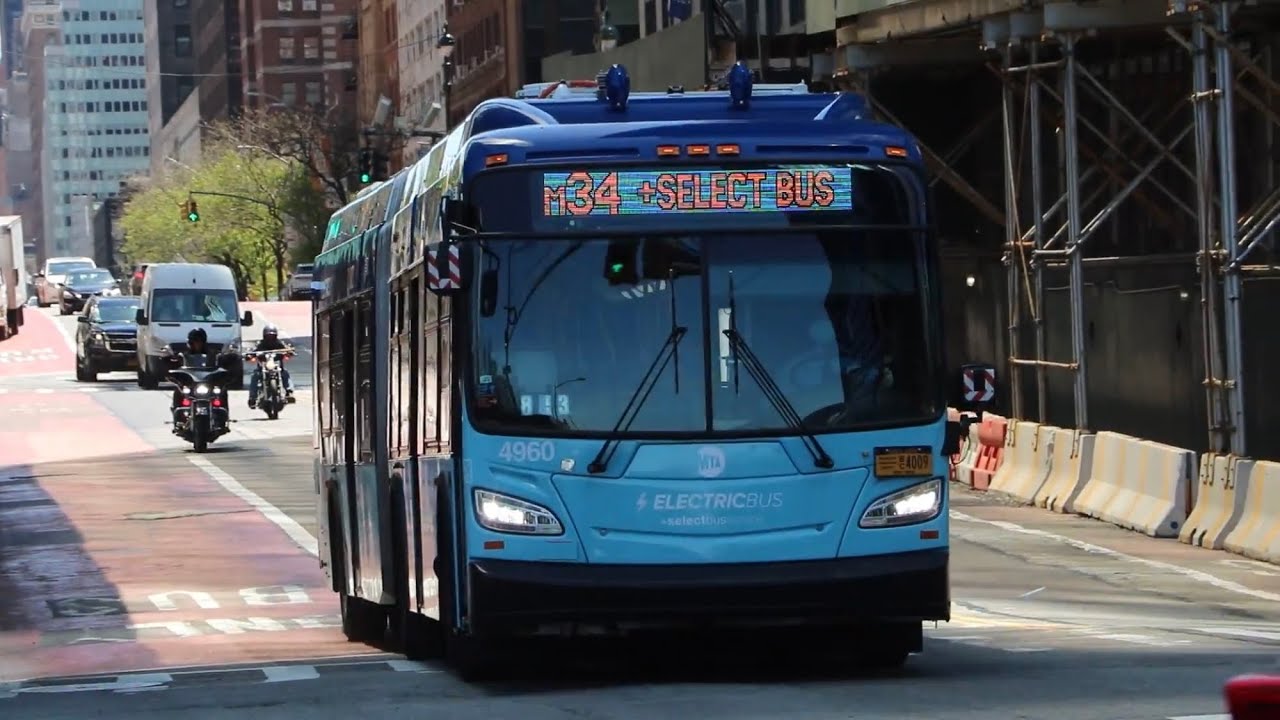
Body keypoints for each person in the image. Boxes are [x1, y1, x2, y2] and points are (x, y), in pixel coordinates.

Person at [165, 328, 234, 411]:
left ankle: (222, 414)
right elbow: (173, 366)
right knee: (179, 390)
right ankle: (178, 411)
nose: (198, 344)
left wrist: (225, 365)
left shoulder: (212, 354)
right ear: (190, 343)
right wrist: (172, 368)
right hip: (191, 383)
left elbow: (223, 363)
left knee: (221, 391)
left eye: (200, 341)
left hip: (208, 382)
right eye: (195, 341)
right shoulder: (183, 355)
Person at [248, 324, 295, 408]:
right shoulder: (260, 343)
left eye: (272, 336)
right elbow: (253, 351)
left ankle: (289, 392)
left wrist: (289, 351)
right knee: (254, 376)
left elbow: (287, 348)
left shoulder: (279, 343)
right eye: (268, 336)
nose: (270, 338)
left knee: (285, 374)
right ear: (264, 336)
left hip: (277, 367)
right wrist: (250, 355)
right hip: (262, 368)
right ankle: (253, 397)